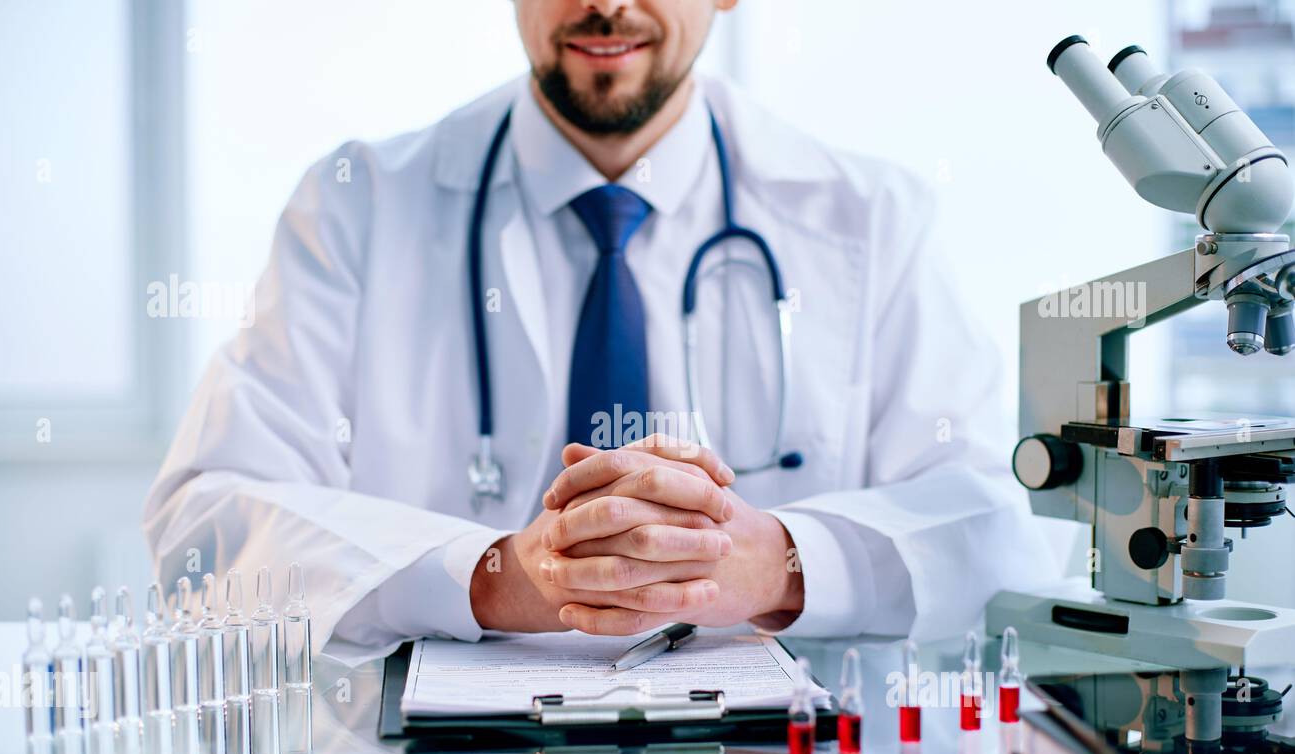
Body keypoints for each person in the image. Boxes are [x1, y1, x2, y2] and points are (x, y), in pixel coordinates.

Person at [143, 0, 1057, 655]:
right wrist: (496, 577)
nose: (607, 5)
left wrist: (773, 565)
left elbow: (992, 519)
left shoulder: (870, 218)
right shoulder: (356, 209)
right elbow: (206, 523)